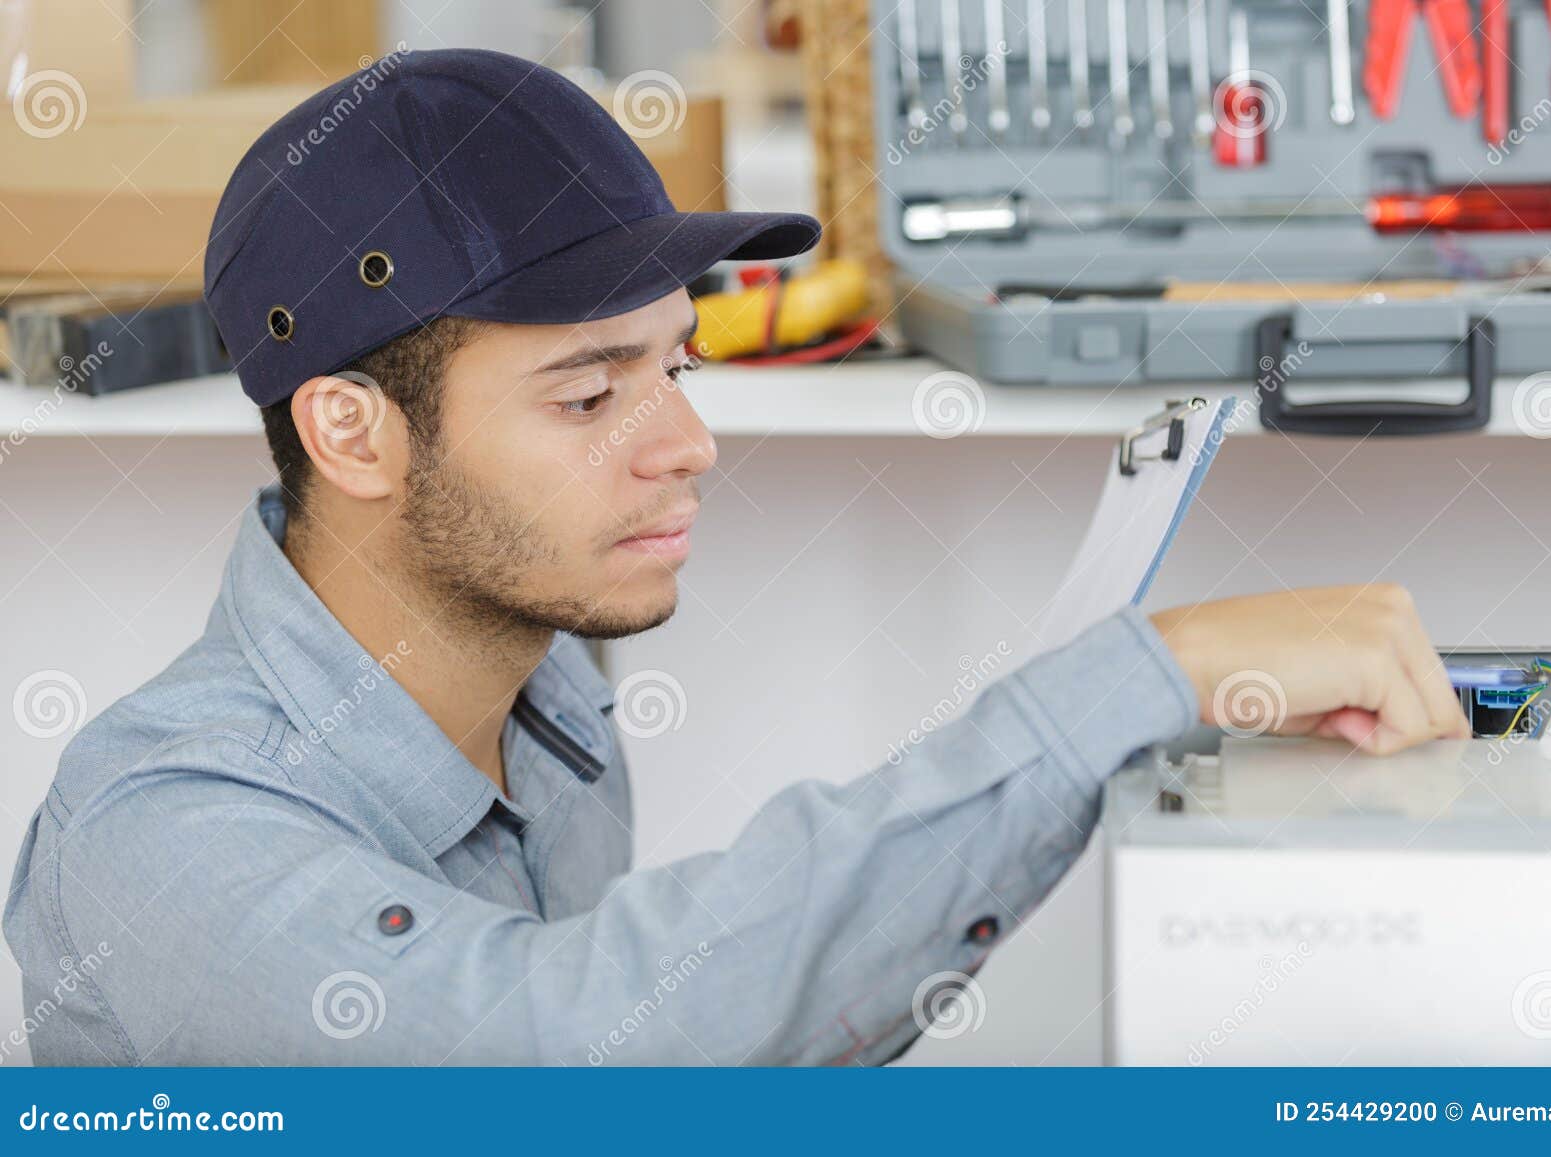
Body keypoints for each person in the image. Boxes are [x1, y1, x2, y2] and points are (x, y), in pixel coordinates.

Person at [3, 49, 1469, 1065]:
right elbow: (568, 1056)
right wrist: (1140, 681)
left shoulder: (548, 689)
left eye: (676, 367)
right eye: (589, 396)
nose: (688, 445)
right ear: (352, 431)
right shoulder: (164, 828)